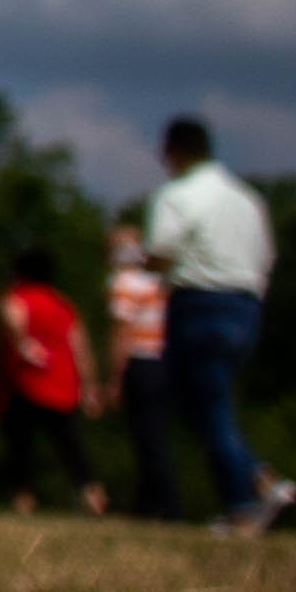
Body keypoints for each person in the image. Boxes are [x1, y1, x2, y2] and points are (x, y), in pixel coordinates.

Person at [146, 117, 296, 534]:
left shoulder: (175, 195)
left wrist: (137, 261)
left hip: (198, 303)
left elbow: (160, 253)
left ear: (174, 150)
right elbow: (266, 258)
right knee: (210, 407)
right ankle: (260, 480)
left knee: (204, 408)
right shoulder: (248, 200)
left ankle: (244, 506)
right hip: (246, 306)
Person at [0, 245, 103, 517]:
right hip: (64, 385)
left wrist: (22, 345)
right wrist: (89, 387)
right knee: (68, 442)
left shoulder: (18, 298)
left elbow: (11, 320)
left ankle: (23, 497)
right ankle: (92, 493)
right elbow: (81, 348)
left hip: (27, 382)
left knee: (21, 443)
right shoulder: (63, 305)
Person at [101, 222, 180, 521]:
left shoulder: (122, 283)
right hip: (163, 362)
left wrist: (114, 379)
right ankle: (149, 505)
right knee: (154, 434)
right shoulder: (156, 283)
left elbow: (122, 332)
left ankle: (163, 506)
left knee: (147, 437)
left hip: (140, 362)